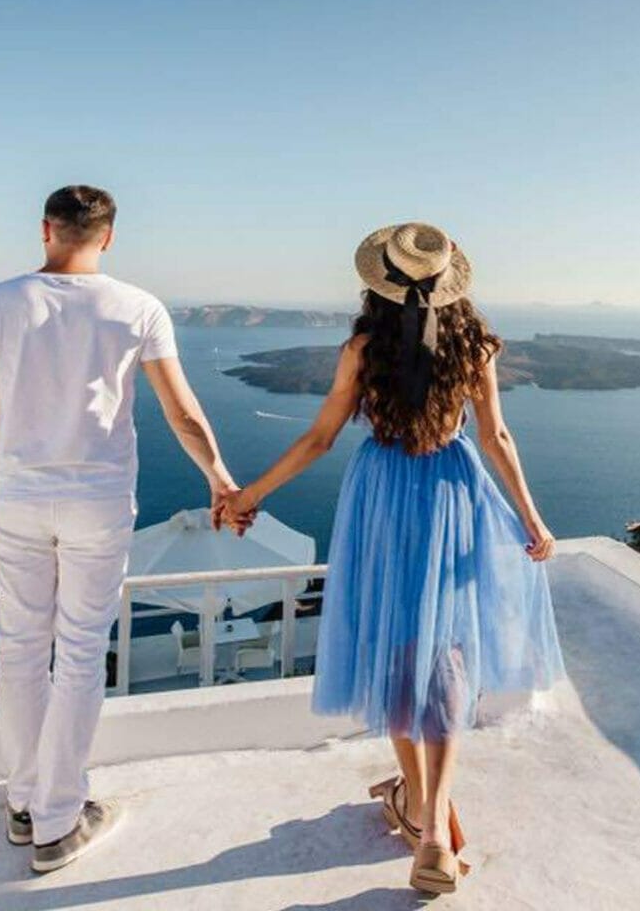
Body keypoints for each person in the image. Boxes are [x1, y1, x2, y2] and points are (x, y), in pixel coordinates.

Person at [219, 222, 565, 895]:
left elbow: (321, 439)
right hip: (452, 495)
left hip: (381, 498)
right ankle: (433, 827)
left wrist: (250, 495)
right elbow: (494, 436)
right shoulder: (476, 348)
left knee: (398, 647)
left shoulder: (363, 348)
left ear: (378, 282)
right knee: (447, 654)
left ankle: (416, 803)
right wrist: (531, 516)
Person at [0, 185, 243, 873]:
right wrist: (221, 480)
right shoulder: (138, 309)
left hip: (12, 499)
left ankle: (25, 806)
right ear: (107, 237)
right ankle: (58, 819)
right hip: (98, 502)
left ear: (45, 229)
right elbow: (183, 415)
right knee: (79, 653)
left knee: (18, 649)